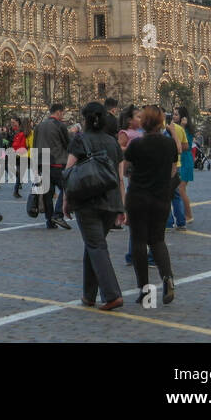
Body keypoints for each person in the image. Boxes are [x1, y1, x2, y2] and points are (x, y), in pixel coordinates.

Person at [62, 102, 124, 310]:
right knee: (94, 244)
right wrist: (121, 206)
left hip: (87, 201)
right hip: (110, 201)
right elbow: (120, 176)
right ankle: (89, 295)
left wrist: (65, 201)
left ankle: (112, 294)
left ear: (85, 119)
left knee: (96, 246)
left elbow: (69, 173)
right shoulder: (113, 142)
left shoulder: (79, 140)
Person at [123, 105, 177, 305]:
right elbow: (172, 171)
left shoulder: (137, 144)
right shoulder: (169, 144)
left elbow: (126, 167)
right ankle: (168, 277)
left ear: (144, 123)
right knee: (157, 240)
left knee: (138, 242)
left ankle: (145, 291)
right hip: (161, 197)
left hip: (138, 197)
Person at [34, 103, 72, 231]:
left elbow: (34, 146)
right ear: (59, 112)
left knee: (48, 193)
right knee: (67, 187)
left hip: (41, 162)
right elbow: (68, 144)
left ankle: (49, 221)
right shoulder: (59, 125)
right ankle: (58, 215)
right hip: (56, 162)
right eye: (63, 113)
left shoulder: (39, 126)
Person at [174, 108, 194, 225]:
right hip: (181, 160)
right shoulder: (179, 127)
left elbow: (186, 145)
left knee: (181, 189)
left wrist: (182, 126)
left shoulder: (185, 129)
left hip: (185, 161)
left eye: (176, 114)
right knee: (180, 189)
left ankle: (189, 215)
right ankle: (186, 214)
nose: (174, 116)